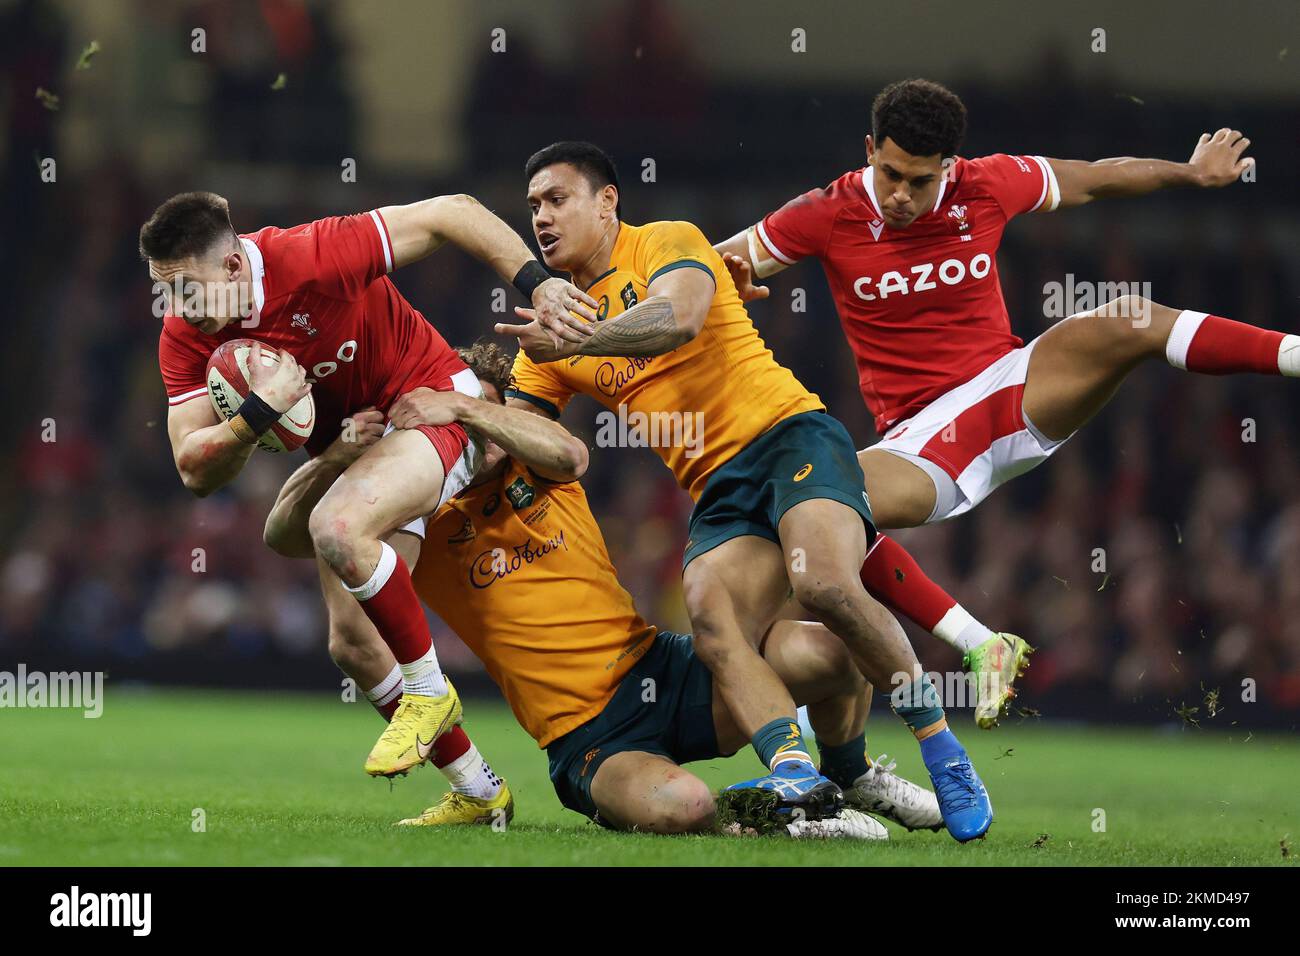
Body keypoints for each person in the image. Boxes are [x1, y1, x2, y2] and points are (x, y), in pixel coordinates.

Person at [715, 78, 1268, 723]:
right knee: (811, 513)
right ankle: (980, 648)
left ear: (948, 167)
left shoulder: (988, 183)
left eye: (918, 182)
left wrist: (1189, 173)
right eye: (889, 174)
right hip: (920, 447)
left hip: (1008, 392)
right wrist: (721, 277)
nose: (899, 195)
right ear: (869, 150)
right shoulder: (825, 212)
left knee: (1131, 319)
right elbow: (717, 262)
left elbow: (1095, 178)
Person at [495, 141, 992, 840]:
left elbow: (679, 319)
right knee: (709, 609)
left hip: (790, 433)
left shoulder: (666, 240)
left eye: (557, 199)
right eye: (533, 208)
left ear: (608, 202)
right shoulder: (543, 340)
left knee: (823, 583)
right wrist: (466, 413)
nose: (541, 219)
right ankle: (798, 769)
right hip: (718, 486)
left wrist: (583, 341)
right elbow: (533, 443)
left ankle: (943, 748)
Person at [269, 340, 943, 836]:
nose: (467, 429)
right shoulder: (420, 519)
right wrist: (336, 456)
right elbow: (285, 535)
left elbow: (571, 452)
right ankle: (782, 821)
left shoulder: (542, 464)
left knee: (834, 652)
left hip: (665, 669)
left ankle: (850, 775)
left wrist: (465, 407)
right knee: (686, 807)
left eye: (479, 412)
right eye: (451, 420)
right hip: (587, 739)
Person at [145, 190, 597, 780]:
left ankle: (429, 693)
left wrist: (536, 283)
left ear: (232, 265)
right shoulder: (184, 332)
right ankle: (477, 790)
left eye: (185, 287)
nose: (175, 306)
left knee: (336, 525)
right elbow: (192, 467)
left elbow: (452, 211)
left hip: (429, 400)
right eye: (165, 291)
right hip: (363, 452)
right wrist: (254, 415)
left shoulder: (311, 255)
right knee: (353, 645)